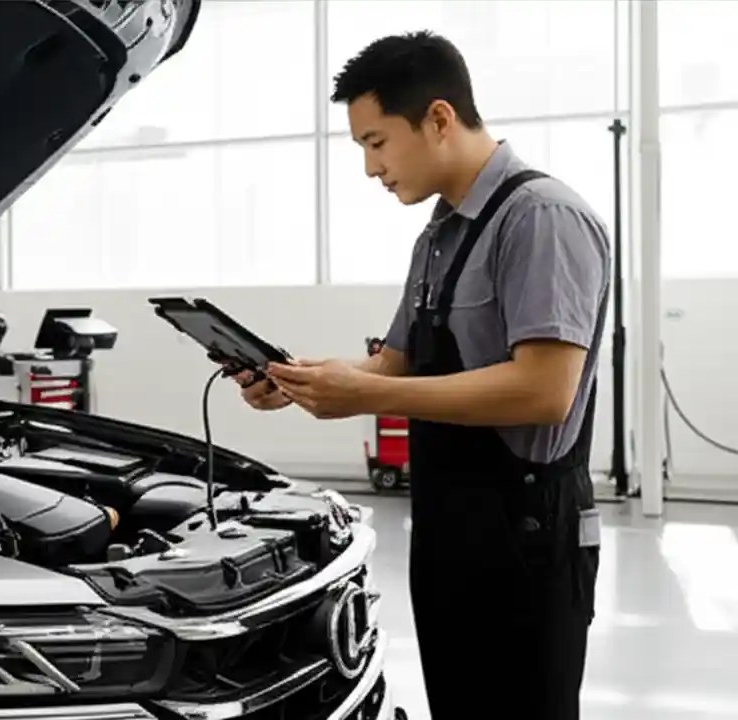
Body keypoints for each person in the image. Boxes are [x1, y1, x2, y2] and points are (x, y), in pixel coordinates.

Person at [233, 31, 608, 720]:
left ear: (438, 118)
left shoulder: (541, 219)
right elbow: (394, 364)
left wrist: (368, 394)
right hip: (449, 528)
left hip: (524, 538)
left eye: (376, 142)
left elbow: (544, 391)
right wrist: (297, 379)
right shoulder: (437, 236)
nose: (371, 168)